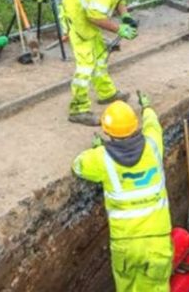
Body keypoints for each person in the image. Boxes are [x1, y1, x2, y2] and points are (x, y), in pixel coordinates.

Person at [72, 94, 172, 292]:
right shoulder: (153, 145)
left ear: (107, 131)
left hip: (125, 243)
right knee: (158, 287)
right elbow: (153, 125)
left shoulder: (101, 159)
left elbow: (78, 166)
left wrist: (98, 149)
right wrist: (147, 107)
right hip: (157, 240)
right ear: (135, 126)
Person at [60, 0, 160, 126]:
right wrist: (119, 29)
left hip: (86, 14)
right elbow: (94, 15)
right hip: (76, 15)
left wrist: (126, 16)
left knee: (100, 55)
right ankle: (78, 110)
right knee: (86, 65)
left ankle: (106, 93)